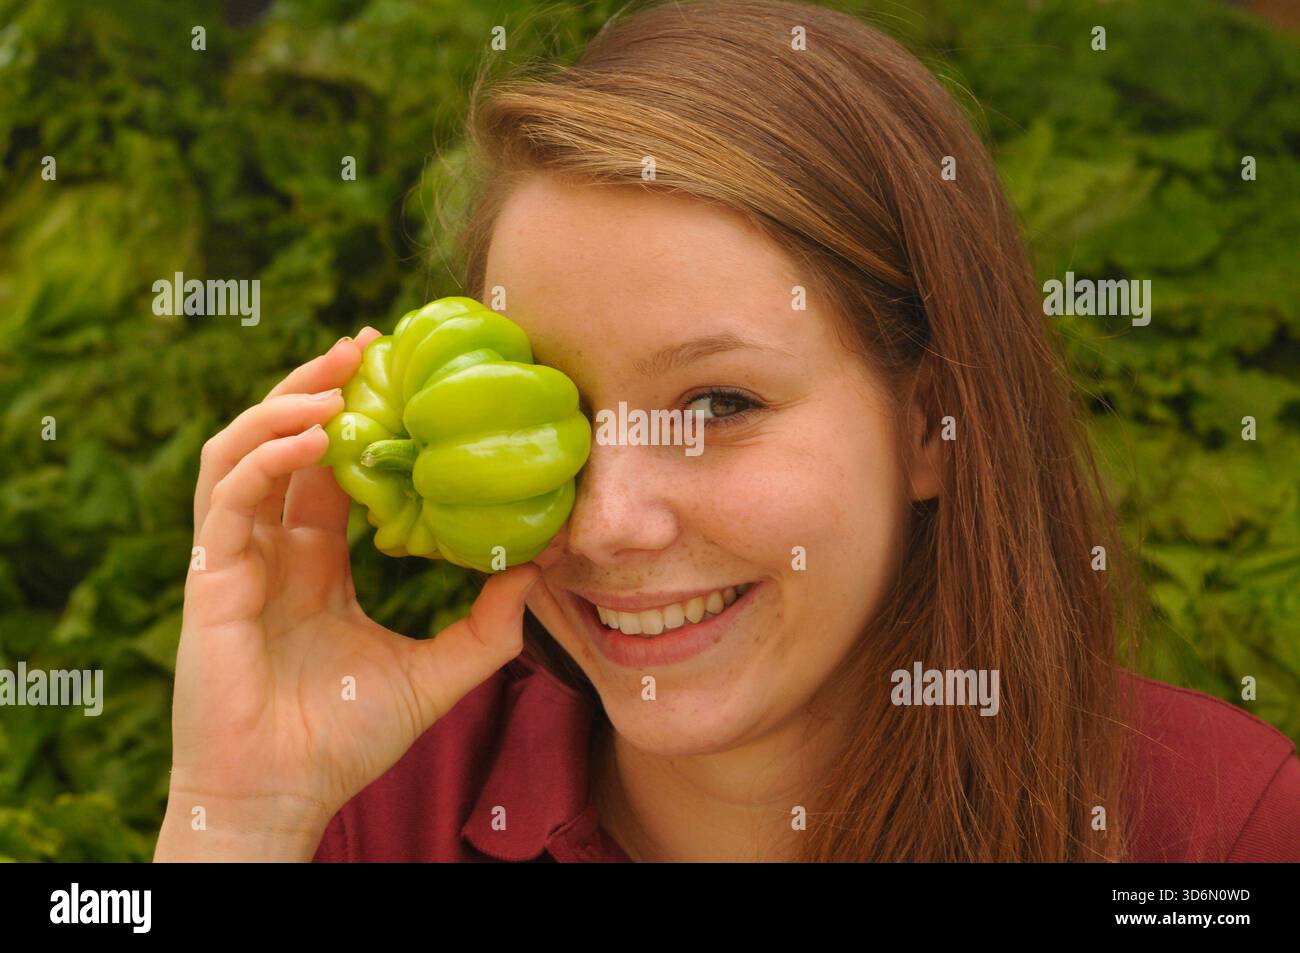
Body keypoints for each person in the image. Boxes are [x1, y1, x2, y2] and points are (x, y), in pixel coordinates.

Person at [154, 0, 1300, 863]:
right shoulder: (381, 809)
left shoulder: (1213, 828)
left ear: (931, 419)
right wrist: (236, 815)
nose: (606, 522)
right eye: (549, 404)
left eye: (717, 406)